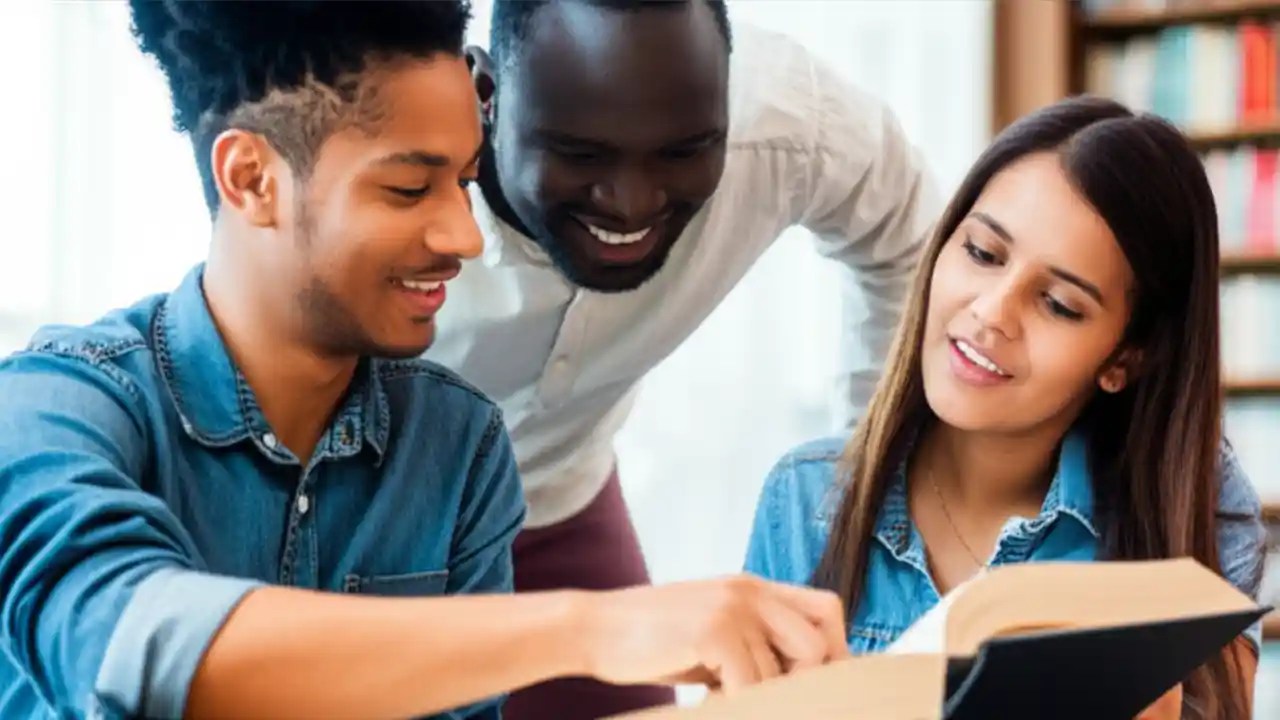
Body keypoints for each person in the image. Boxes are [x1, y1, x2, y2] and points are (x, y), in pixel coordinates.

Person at [0, 2, 852, 718]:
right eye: (410, 189)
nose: (464, 235)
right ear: (251, 179)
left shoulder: (460, 447)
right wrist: (598, 628)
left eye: (466, 181)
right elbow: (133, 644)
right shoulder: (56, 407)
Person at [425, 1, 939, 715]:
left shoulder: (787, 118)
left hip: (559, 498)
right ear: (486, 96)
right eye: (579, 154)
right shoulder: (389, 174)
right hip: (365, 527)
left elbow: (907, 240)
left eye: (681, 151)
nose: (630, 204)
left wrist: (869, 469)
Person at [743, 96, 1268, 720]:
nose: (992, 312)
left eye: (1059, 305)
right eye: (983, 254)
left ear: (1124, 358)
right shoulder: (805, 500)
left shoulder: (1195, 512)